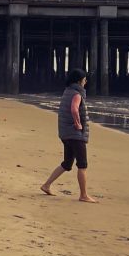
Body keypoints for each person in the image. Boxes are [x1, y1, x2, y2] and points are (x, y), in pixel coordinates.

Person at [40, 68, 97, 203]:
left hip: (66, 134)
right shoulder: (77, 94)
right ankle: (83, 195)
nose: (86, 81)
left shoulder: (67, 91)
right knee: (82, 165)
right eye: (84, 79)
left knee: (67, 164)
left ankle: (46, 185)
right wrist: (78, 124)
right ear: (79, 81)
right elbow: (74, 109)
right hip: (75, 134)